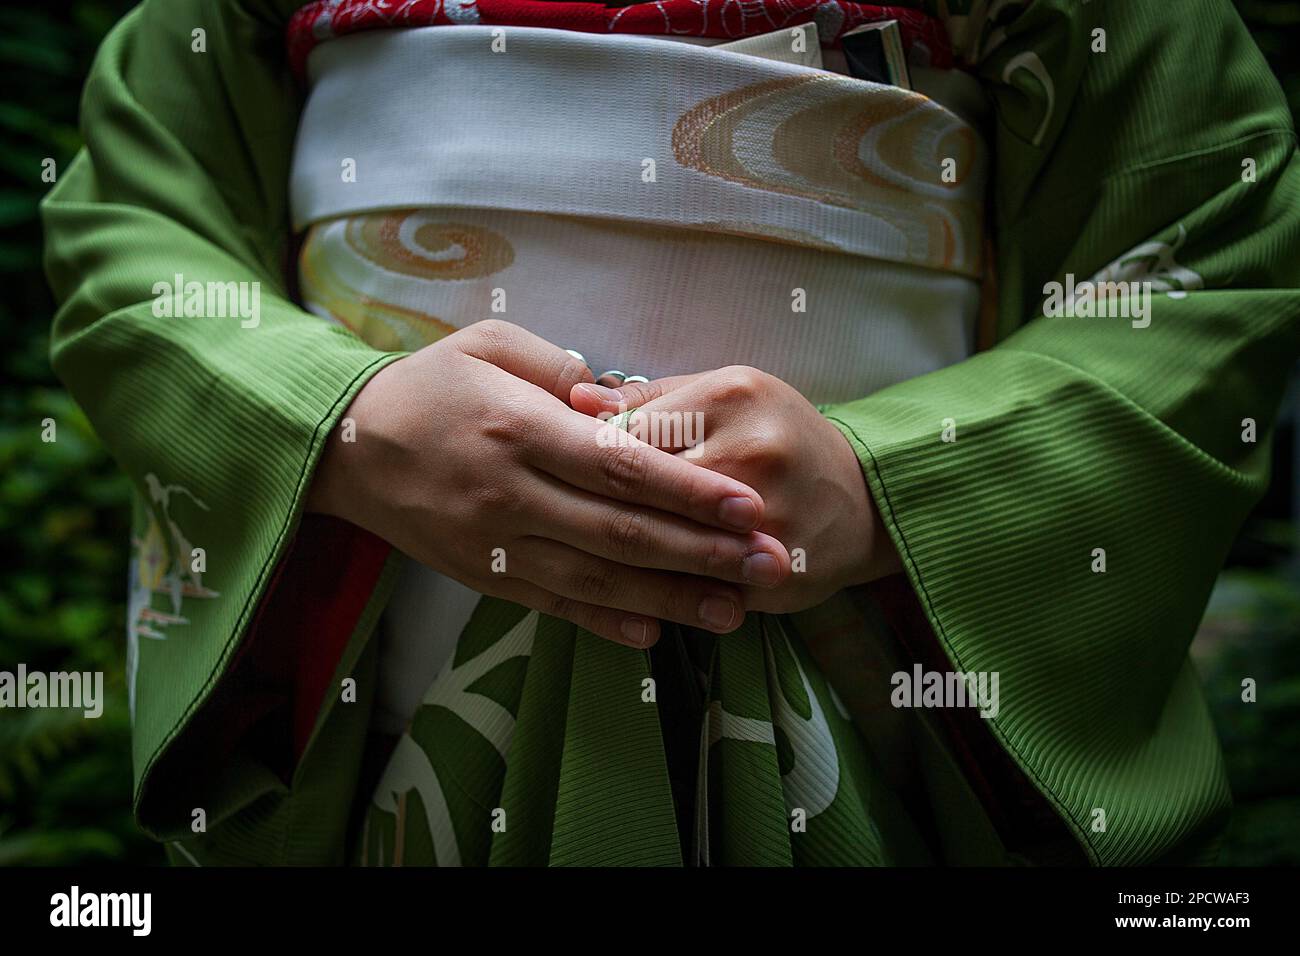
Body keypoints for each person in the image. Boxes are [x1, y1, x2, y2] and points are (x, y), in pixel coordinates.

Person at [43, 0, 1300, 865]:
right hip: (387, 629)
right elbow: (137, 233)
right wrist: (346, 424)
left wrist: (889, 482)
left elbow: (1208, 240)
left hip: (862, 653)